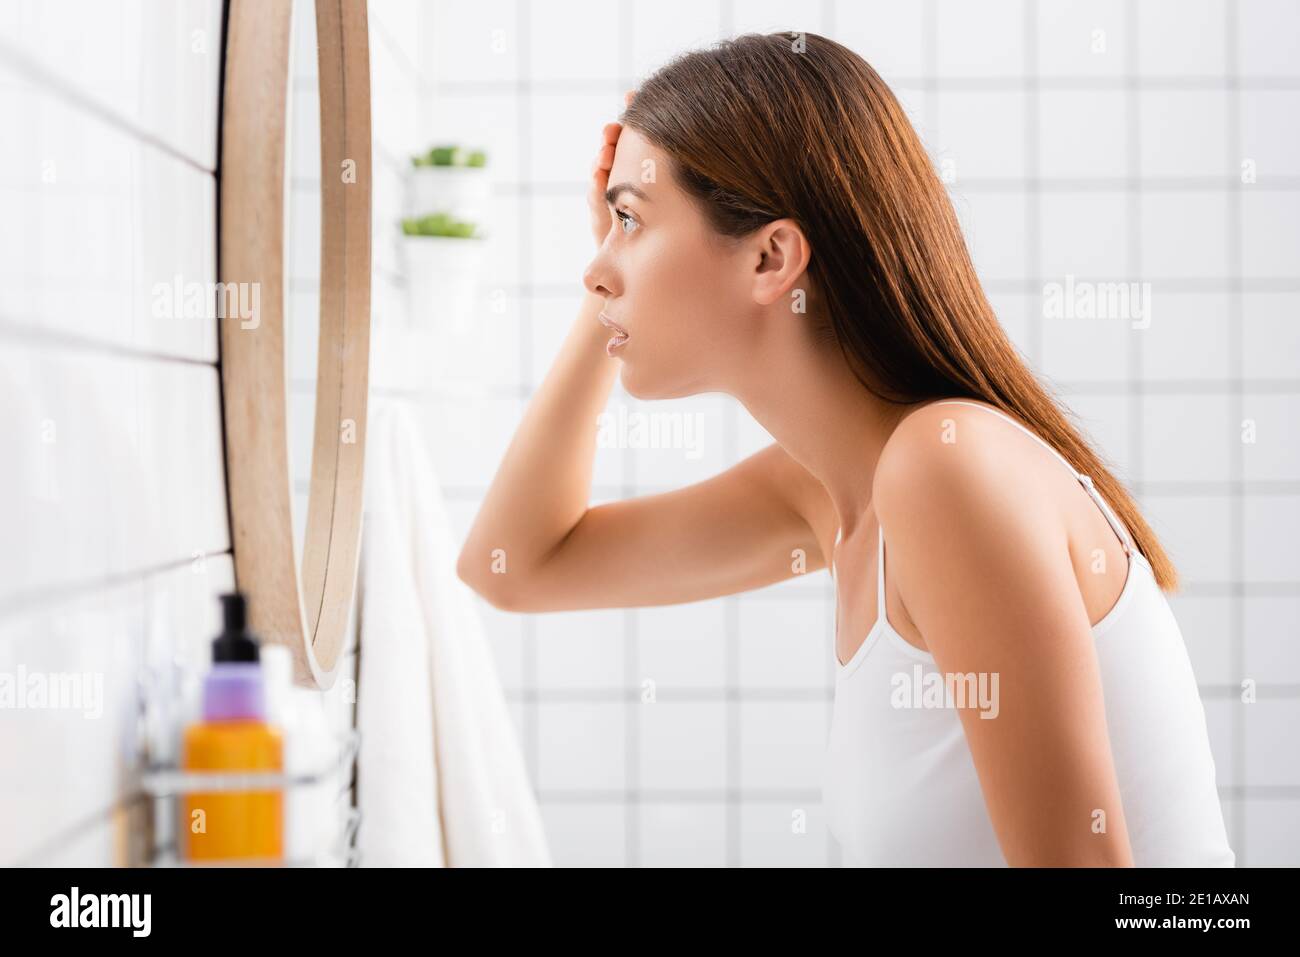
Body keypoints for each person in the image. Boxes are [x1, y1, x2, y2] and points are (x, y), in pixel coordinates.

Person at [456, 33, 1235, 867]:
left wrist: (621, 278)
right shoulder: (834, 491)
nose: (596, 268)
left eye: (631, 222)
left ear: (771, 257)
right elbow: (515, 566)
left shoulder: (945, 468)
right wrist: (614, 276)